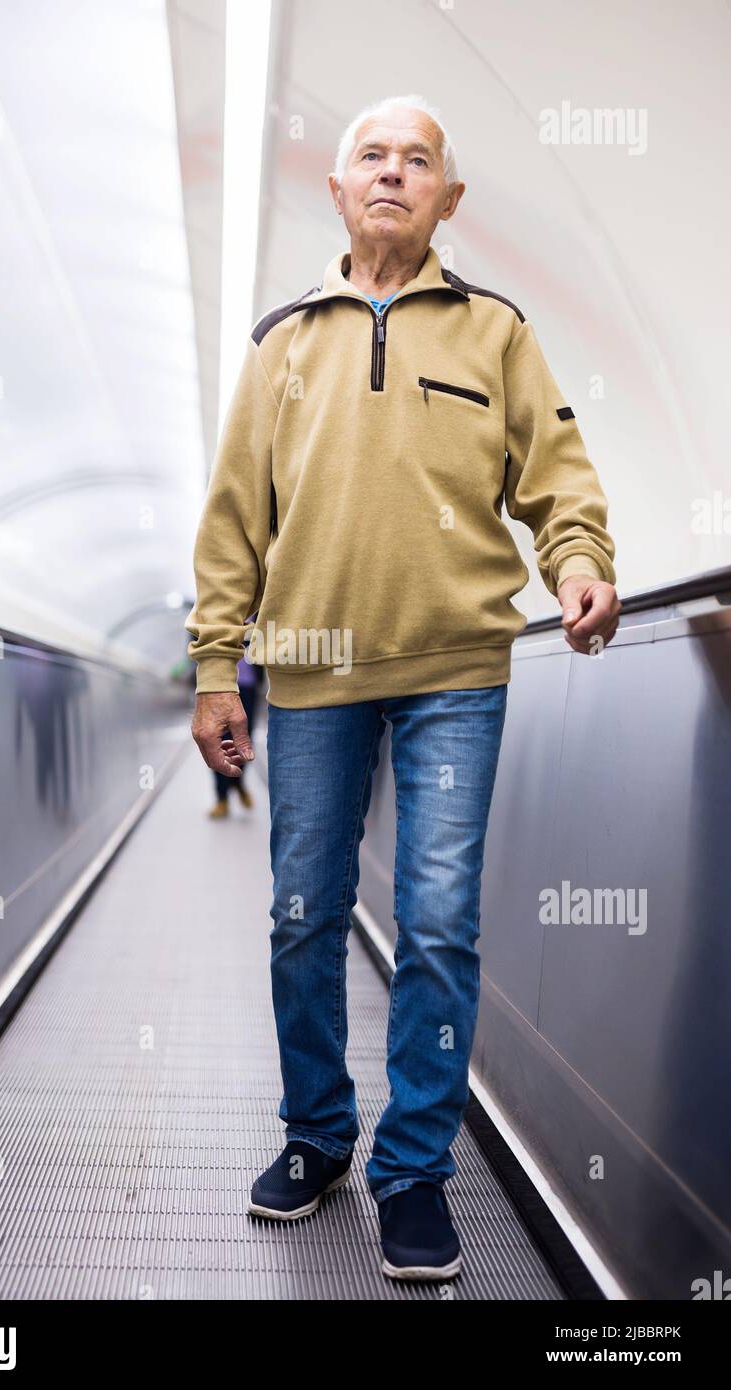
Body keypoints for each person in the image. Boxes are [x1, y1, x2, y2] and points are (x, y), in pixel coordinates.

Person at [185, 94, 621, 1281]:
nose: (391, 173)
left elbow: (556, 477)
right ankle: (318, 1134)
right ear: (334, 190)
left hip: (453, 678)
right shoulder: (282, 342)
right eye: (369, 156)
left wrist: (578, 561)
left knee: (435, 927)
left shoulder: (496, 332)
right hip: (312, 675)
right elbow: (233, 521)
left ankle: (414, 1170)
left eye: (416, 158)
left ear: (448, 196)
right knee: (300, 918)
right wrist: (213, 664)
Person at [208, 648, 265, 818]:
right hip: (219, 684)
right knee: (219, 741)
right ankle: (222, 797)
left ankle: (238, 781)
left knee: (245, 740)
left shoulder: (256, 619)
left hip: (248, 686)